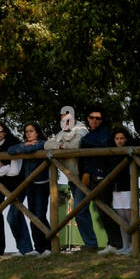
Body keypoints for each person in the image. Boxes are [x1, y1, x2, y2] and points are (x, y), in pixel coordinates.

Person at [45, 106, 97, 251]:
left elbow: (76, 144)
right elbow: (47, 144)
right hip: (71, 177)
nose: (65, 120)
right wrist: (62, 145)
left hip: (84, 176)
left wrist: (59, 146)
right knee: (80, 211)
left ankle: (91, 244)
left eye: (68, 117)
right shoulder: (61, 132)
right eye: (63, 117)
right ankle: (90, 243)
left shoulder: (81, 129)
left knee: (80, 210)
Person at [79, 108, 124, 252]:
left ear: (102, 120)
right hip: (92, 176)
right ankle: (114, 242)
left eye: (97, 118)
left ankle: (117, 243)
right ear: (87, 118)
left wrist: (85, 143)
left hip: (103, 176)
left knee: (107, 210)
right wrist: (85, 172)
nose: (94, 120)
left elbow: (101, 146)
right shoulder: (88, 135)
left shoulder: (104, 133)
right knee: (101, 210)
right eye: (91, 117)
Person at [7, 122, 50, 253]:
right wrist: (24, 145)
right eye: (26, 132)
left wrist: (27, 147)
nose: (28, 134)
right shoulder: (25, 144)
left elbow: (39, 146)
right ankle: (39, 247)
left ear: (37, 132)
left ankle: (49, 245)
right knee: (33, 216)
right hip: (29, 185)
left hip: (42, 184)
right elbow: (11, 150)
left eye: (31, 131)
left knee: (40, 215)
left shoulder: (43, 143)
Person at [0, 121, 31, 255]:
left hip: (20, 185)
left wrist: (4, 167)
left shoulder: (13, 145)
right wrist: (4, 168)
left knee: (13, 216)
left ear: (5, 132)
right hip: (6, 187)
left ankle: (26, 248)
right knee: (14, 216)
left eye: (0, 131)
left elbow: (14, 171)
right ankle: (25, 248)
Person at [108, 126, 137, 254]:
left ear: (126, 139)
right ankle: (126, 245)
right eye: (117, 138)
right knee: (121, 219)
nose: (119, 141)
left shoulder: (129, 152)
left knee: (130, 217)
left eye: (122, 138)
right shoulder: (111, 153)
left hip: (127, 188)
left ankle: (133, 245)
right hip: (115, 189)